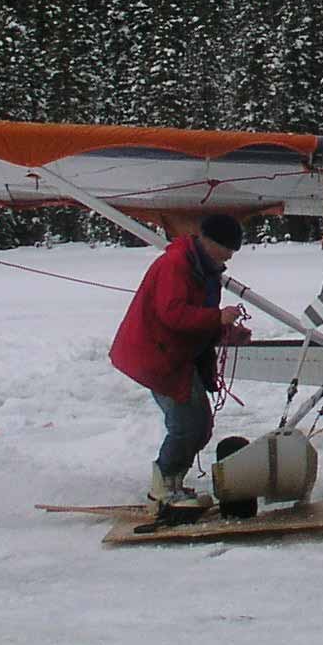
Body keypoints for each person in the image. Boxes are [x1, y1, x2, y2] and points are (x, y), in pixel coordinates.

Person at [109, 211, 254, 510]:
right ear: (208, 241)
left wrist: (226, 333)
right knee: (188, 424)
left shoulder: (203, 267)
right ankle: (162, 488)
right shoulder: (176, 264)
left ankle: (172, 483)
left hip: (174, 356)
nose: (229, 255)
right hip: (156, 356)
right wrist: (218, 317)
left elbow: (195, 321)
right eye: (227, 248)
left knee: (199, 424)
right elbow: (173, 313)